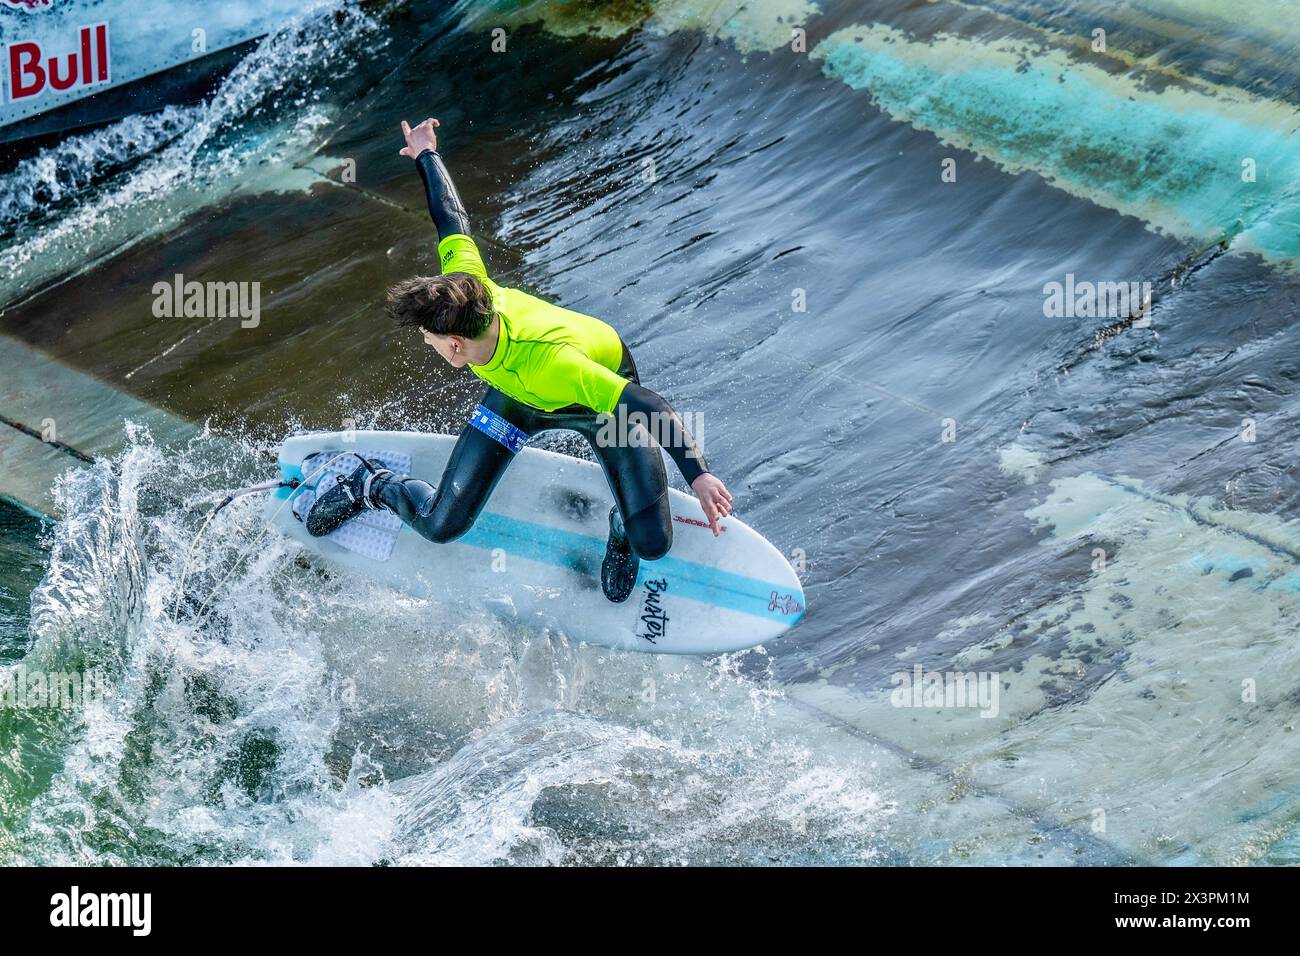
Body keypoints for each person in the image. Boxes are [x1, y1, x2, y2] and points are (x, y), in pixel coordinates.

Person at [303, 117, 733, 603]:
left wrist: (698, 474)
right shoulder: (465, 288)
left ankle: (622, 527)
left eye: (427, 337)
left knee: (651, 544)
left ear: (455, 346)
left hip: (597, 406)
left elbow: (648, 405)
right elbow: (452, 219)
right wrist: (427, 154)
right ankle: (371, 483)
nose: (425, 343)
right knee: (441, 523)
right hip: (515, 400)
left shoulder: (553, 365)